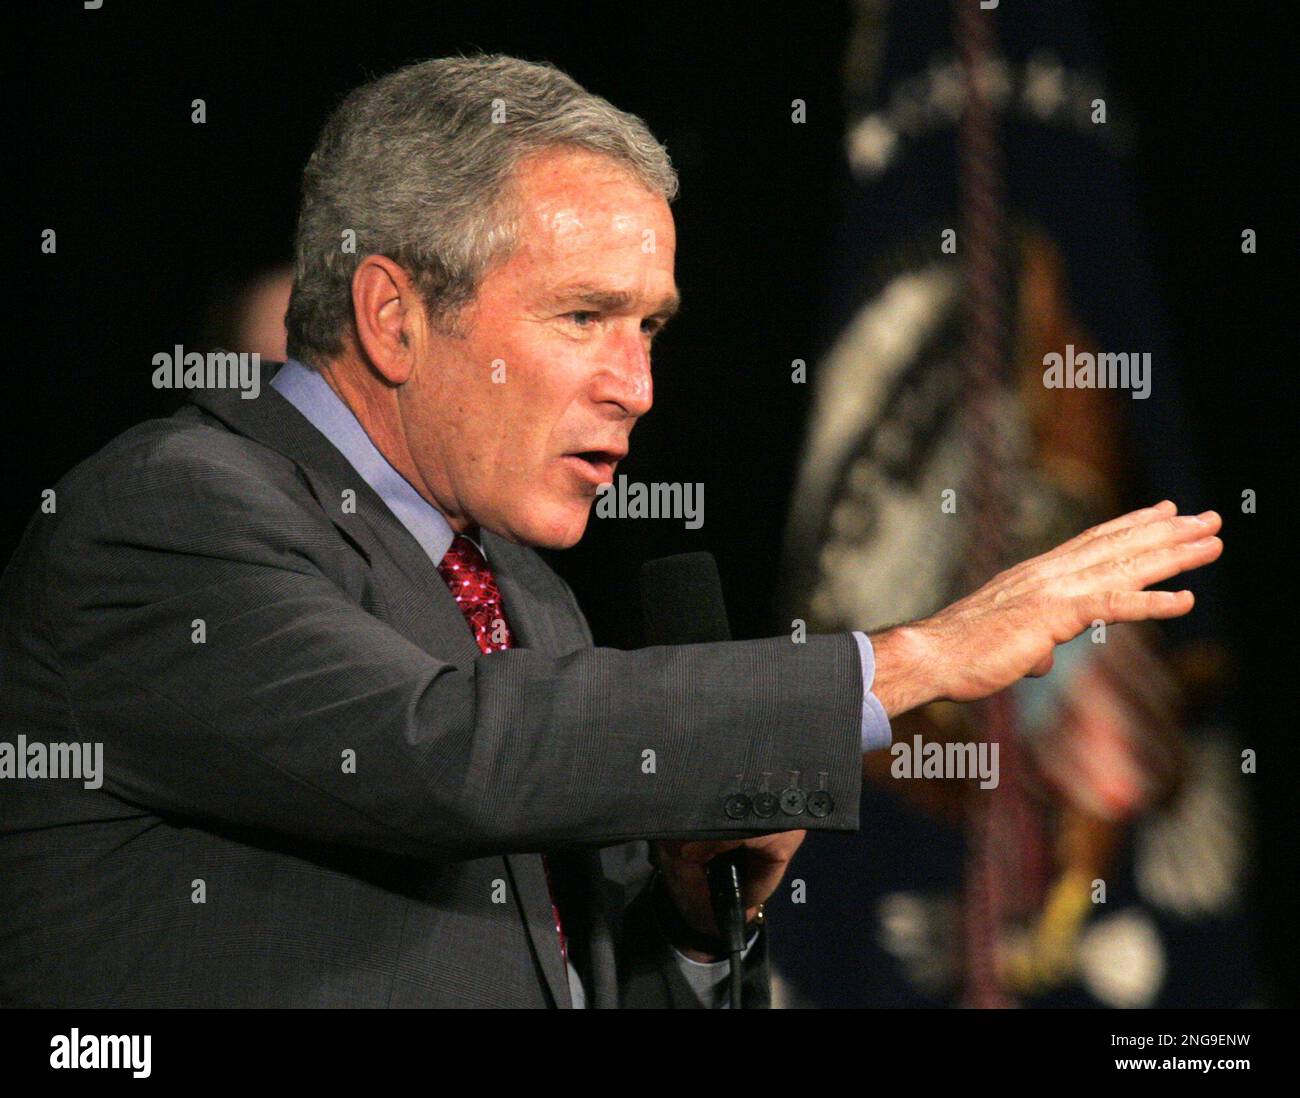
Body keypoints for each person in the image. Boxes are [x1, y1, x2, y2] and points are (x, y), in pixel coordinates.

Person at [0, 54, 1222, 1008]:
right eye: (584, 316)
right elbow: (434, 753)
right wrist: (909, 662)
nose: (635, 387)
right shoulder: (171, 516)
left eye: (651, 328)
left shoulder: (522, 594)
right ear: (392, 316)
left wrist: (687, 925)